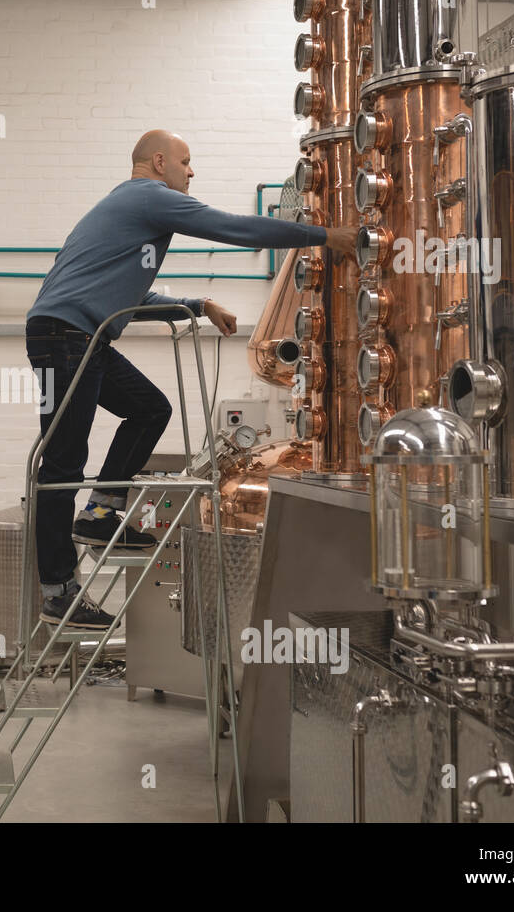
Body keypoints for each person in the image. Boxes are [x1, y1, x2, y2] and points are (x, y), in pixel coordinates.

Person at [25, 129, 357, 630]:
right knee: (63, 464)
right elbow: (230, 227)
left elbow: (123, 299)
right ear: (159, 162)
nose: (191, 170)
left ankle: (98, 515)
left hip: (76, 335)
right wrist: (323, 236)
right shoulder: (149, 197)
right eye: (186, 161)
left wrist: (197, 306)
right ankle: (58, 592)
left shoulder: (130, 207)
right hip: (67, 338)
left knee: (150, 407)